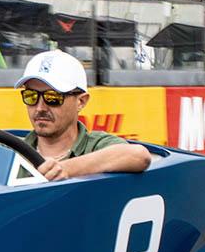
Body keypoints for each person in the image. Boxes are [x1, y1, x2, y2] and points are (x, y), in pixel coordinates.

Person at [14, 50, 151, 181]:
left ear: (81, 101)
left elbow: (139, 156)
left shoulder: (96, 145)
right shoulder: (11, 152)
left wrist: (65, 169)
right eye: (31, 96)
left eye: (52, 97)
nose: (40, 107)